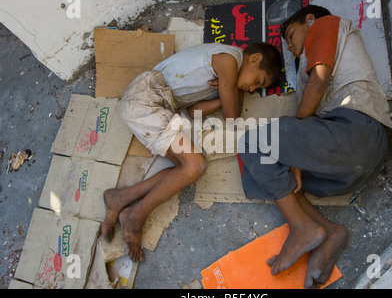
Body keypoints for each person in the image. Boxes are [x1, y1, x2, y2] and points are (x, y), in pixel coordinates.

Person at [238, 5, 392, 288]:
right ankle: (327, 231)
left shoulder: (326, 24)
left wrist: (295, 153)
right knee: (264, 171)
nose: (290, 46)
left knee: (252, 141)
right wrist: (293, 156)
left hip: (357, 132)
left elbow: (320, 81)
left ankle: (300, 228)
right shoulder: (305, 67)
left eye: (290, 35)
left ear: (309, 20)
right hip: (346, 171)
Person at [101, 42, 283, 262]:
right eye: (258, 81)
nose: (252, 89)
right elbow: (232, 116)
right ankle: (135, 214)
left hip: (156, 105)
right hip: (145, 100)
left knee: (185, 168)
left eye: (256, 89)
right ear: (254, 59)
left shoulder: (227, 73)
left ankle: (120, 197)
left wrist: (224, 94)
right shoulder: (228, 60)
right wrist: (232, 91)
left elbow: (194, 110)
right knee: (196, 164)